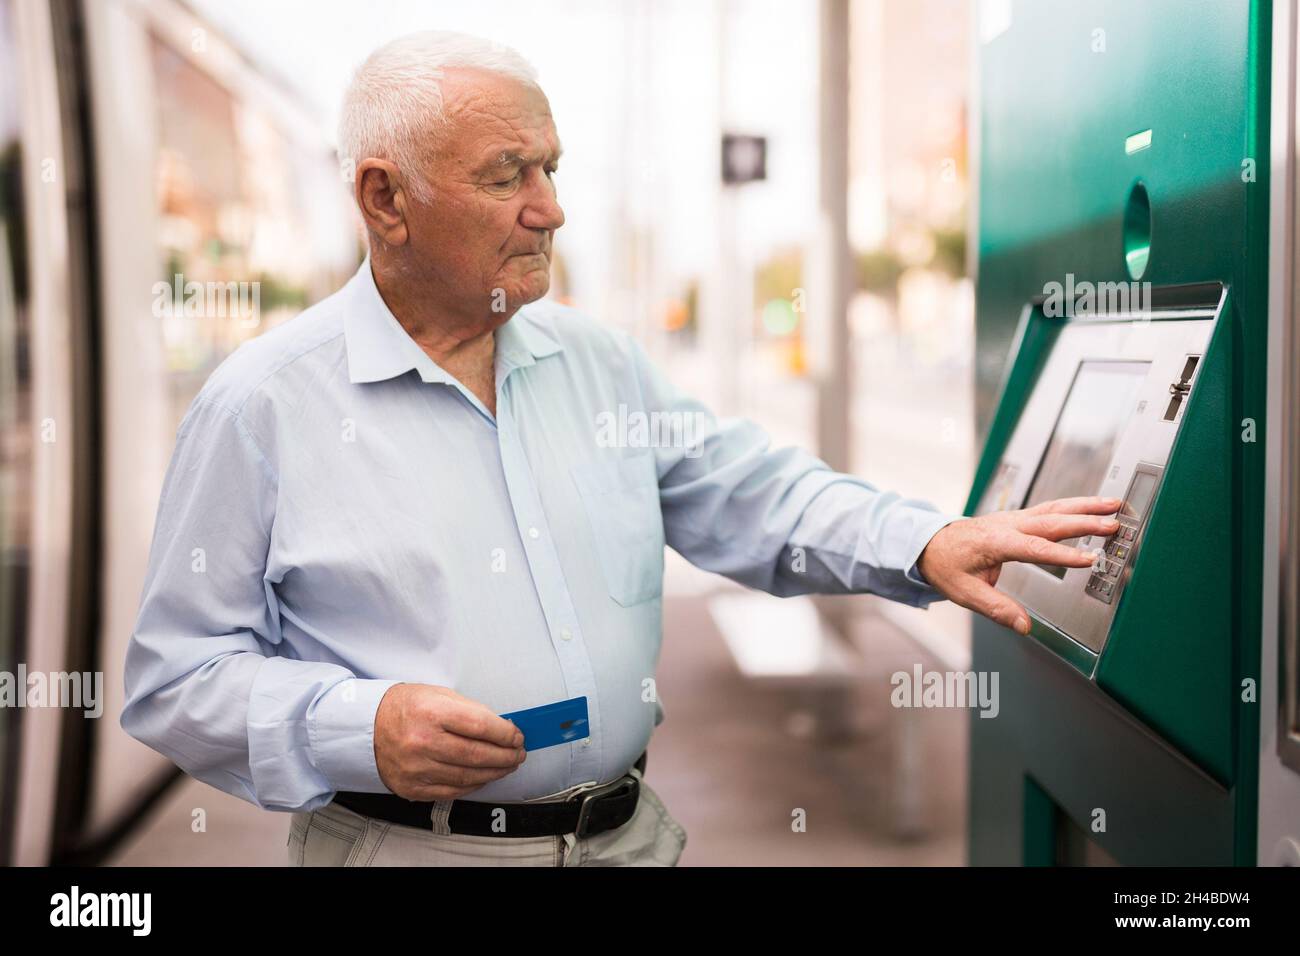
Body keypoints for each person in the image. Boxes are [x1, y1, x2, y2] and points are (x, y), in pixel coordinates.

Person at [121, 31, 1120, 867]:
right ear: (386, 199)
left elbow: (754, 493)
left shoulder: (595, 361)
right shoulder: (260, 407)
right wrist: (355, 726)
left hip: (628, 839)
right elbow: (175, 680)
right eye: (506, 175)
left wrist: (924, 541)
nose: (549, 206)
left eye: (551, 167)